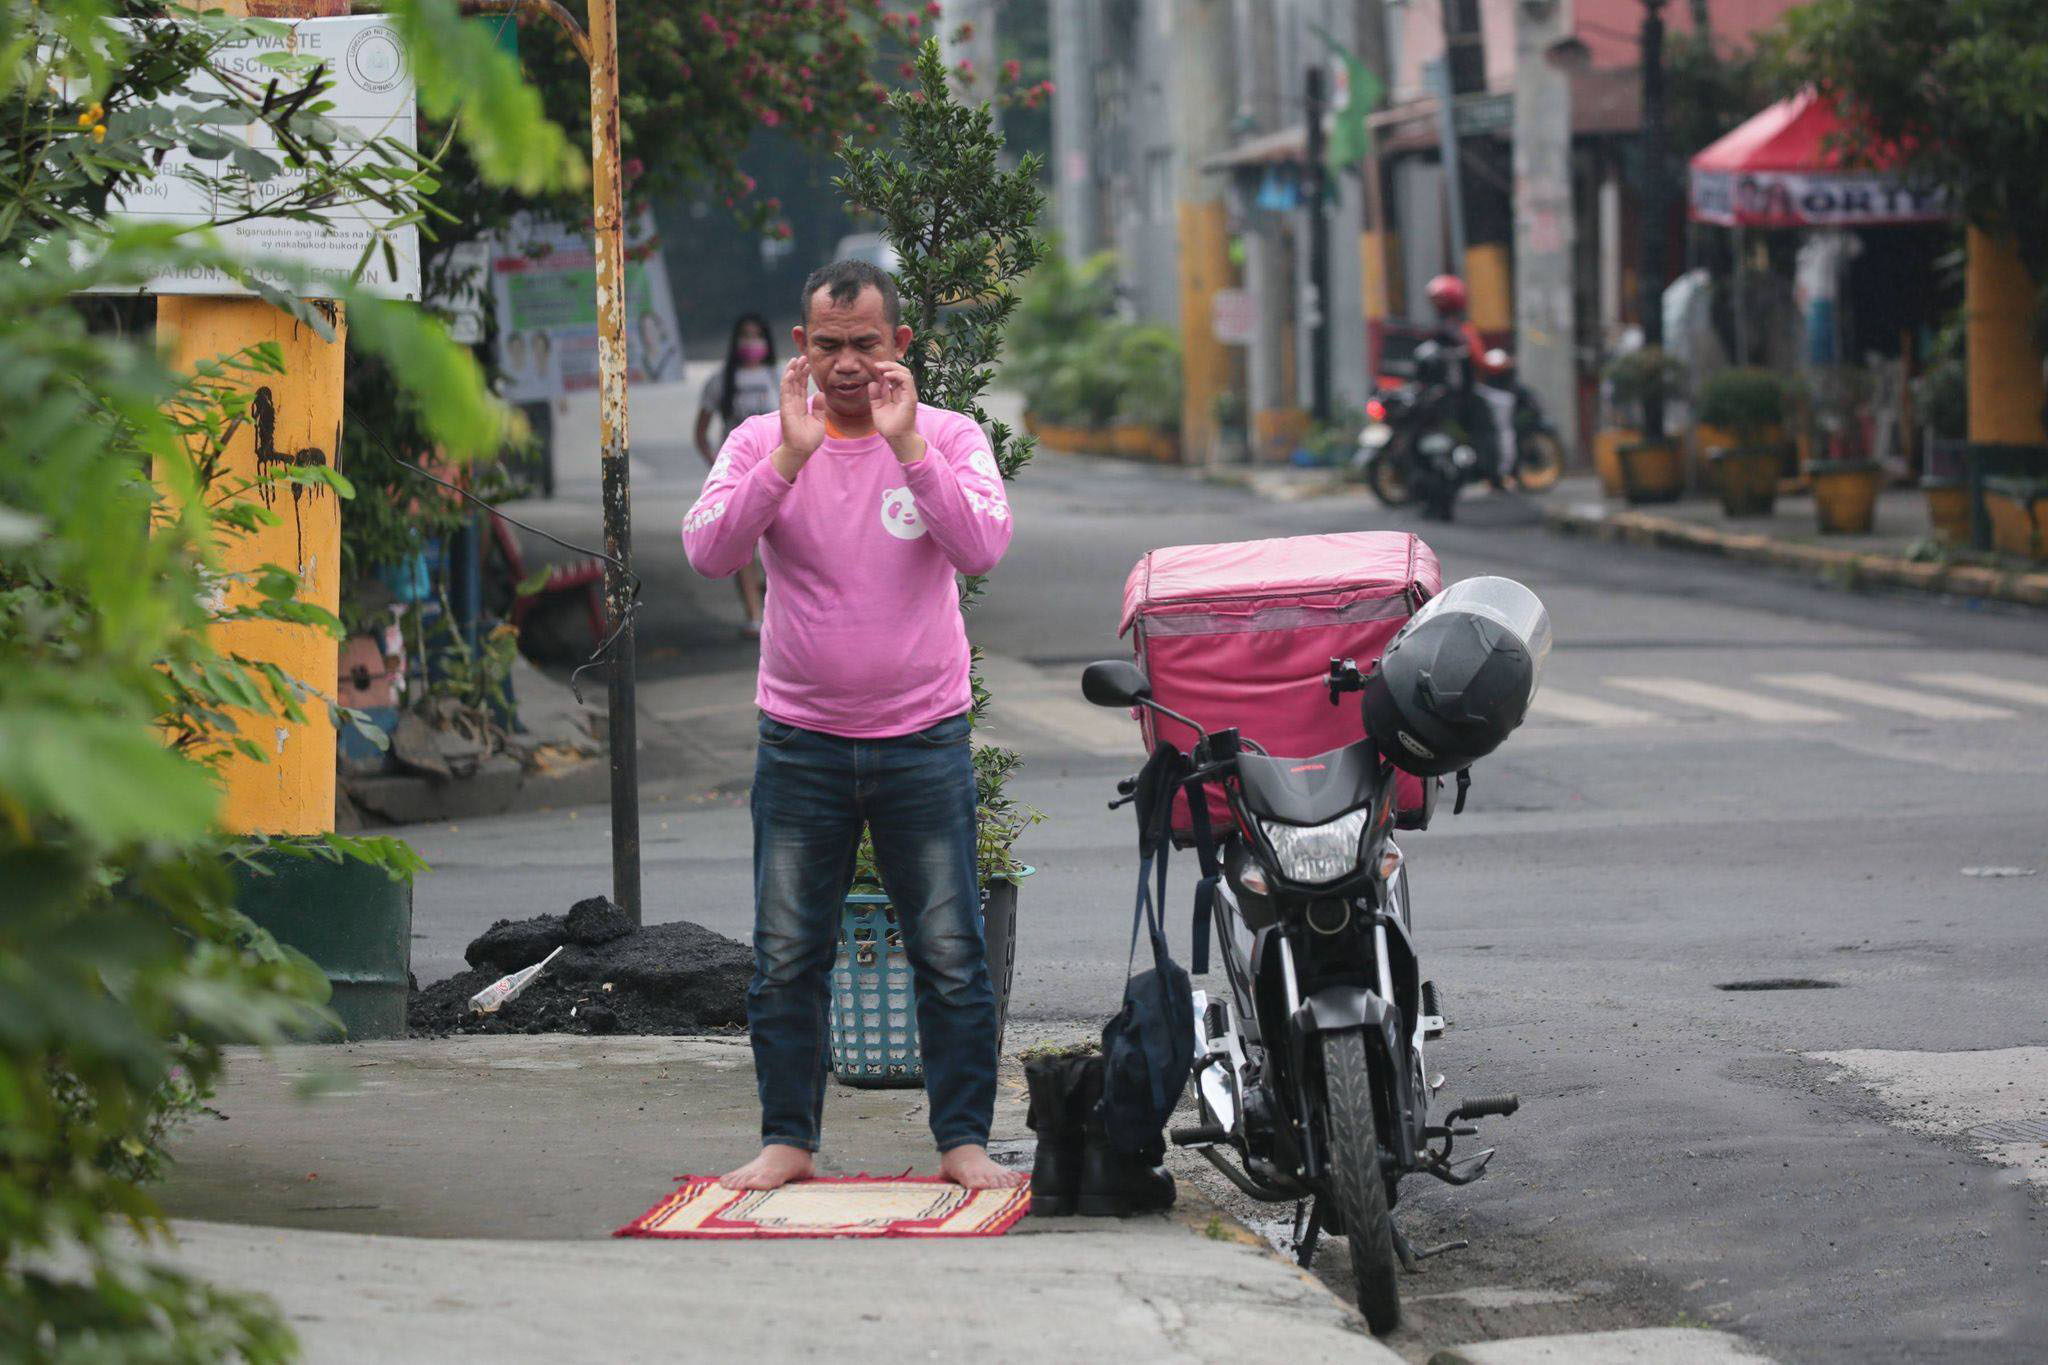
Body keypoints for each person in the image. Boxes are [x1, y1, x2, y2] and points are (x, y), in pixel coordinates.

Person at [682, 260, 1020, 1193]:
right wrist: (789, 458)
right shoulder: (761, 440)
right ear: (801, 348)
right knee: (788, 954)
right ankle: (787, 1138)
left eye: (866, 345)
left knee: (951, 953)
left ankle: (963, 1140)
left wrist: (911, 449)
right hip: (802, 741)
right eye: (827, 345)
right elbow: (708, 551)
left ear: (900, 347)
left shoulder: (949, 437)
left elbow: (982, 546)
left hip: (923, 739)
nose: (845, 365)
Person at [693, 314, 779, 634]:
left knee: (777, 545)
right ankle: (754, 615)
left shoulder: (778, 376)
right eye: (745, 335)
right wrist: (718, 467)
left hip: (777, 474)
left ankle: (772, 607)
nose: (752, 341)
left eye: (757, 334)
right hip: (739, 479)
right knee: (743, 546)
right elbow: (700, 432)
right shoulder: (720, 381)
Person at [1424, 273, 1512, 487]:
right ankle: (1496, 473)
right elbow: (1481, 362)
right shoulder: (1464, 330)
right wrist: (1505, 363)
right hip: (1465, 395)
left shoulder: (1434, 331)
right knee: (1496, 419)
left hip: (1442, 397)